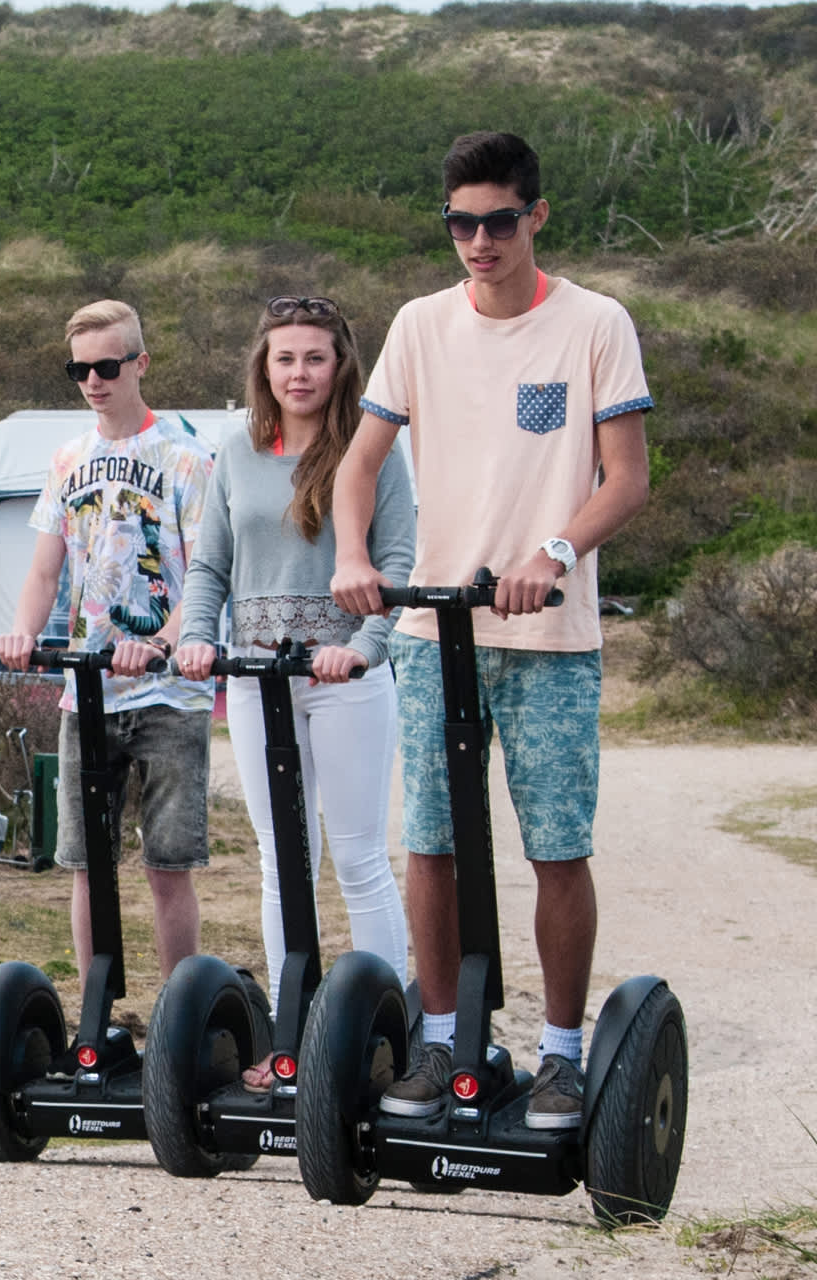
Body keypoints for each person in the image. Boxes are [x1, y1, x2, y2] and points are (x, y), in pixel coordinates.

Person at [330, 131, 652, 1130]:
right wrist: (353, 556)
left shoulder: (595, 323)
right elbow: (358, 464)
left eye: (498, 221)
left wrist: (552, 552)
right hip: (435, 630)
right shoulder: (421, 325)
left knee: (556, 844)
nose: (479, 240)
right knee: (427, 843)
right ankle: (441, 1040)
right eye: (461, 222)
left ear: (536, 217)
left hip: (549, 636)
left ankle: (561, 1055)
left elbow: (627, 479)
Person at [175, 295, 414, 1092]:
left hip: (341, 680)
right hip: (256, 682)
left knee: (355, 857)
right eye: (285, 358)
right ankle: (292, 1038)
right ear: (264, 367)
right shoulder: (236, 450)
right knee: (283, 863)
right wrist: (197, 636)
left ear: (341, 364)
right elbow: (209, 565)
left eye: (315, 357)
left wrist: (364, 649)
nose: (299, 372)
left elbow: (400, 562)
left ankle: (385, 1035)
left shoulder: (370, 452)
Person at [0, 299, 216, 989]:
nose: (94, 381)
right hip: (86, 688)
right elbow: (44, 567)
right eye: (79, 369)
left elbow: (208, 573)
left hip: (169, 689)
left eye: (108, 366)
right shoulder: (66, 460)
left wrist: (166, 644)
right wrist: (26, 630)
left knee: (167, 863)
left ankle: (182, 1012)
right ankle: (99, 1008)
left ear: (140, 364)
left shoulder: (186, 458)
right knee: (88, 861)